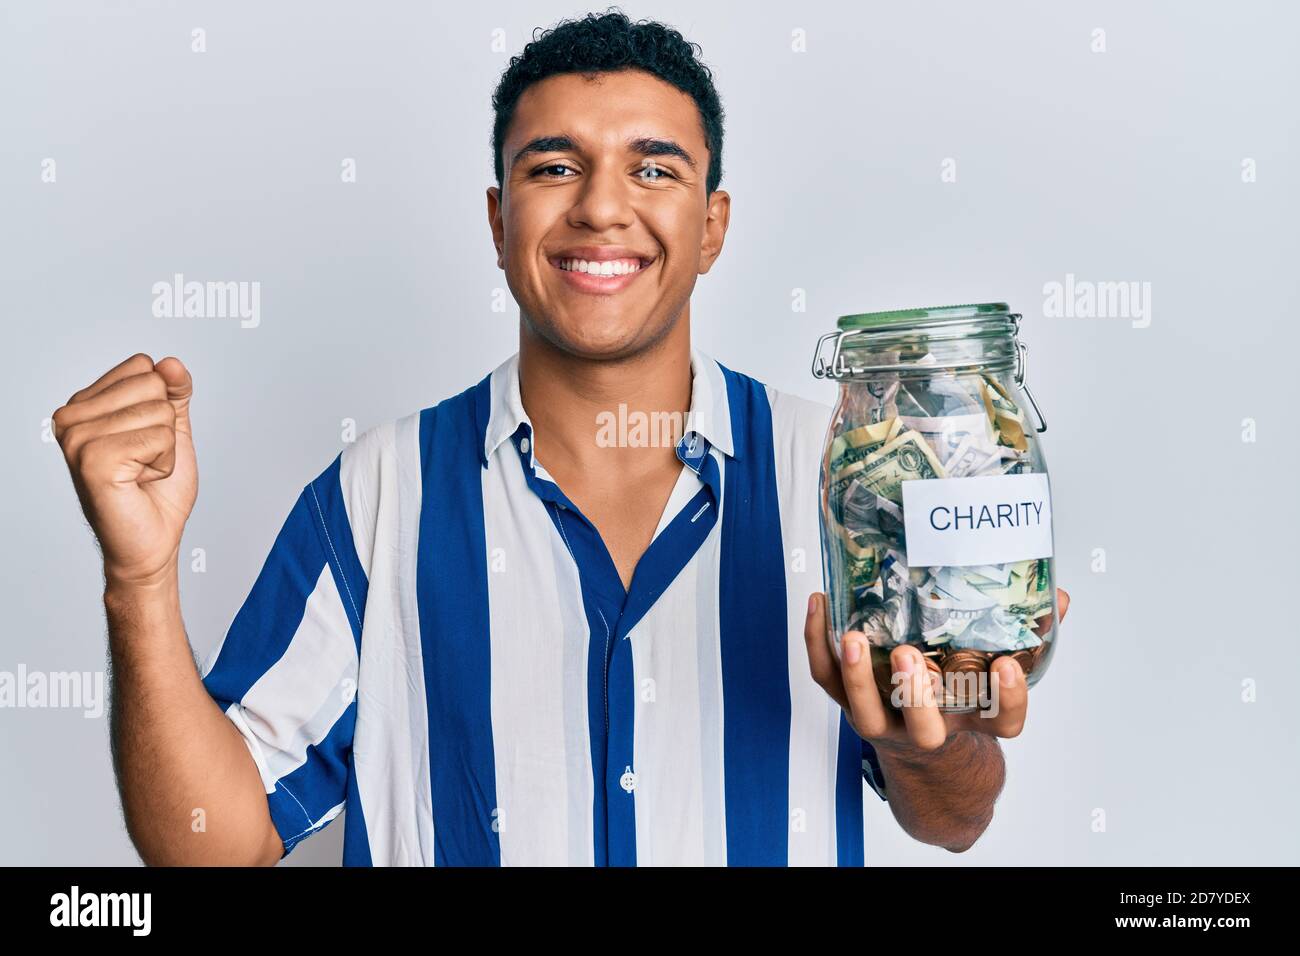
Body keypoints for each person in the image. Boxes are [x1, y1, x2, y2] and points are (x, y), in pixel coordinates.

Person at [52, 10, 1069, 866]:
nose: (599, 207)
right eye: (554, 166)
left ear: (712, 225)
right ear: (498, 220)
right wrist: (137, 577)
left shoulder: (842, 477)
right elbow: (206, 842)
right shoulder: (375, 492)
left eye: (652, 168)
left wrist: (936, 749)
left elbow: (953, 815)